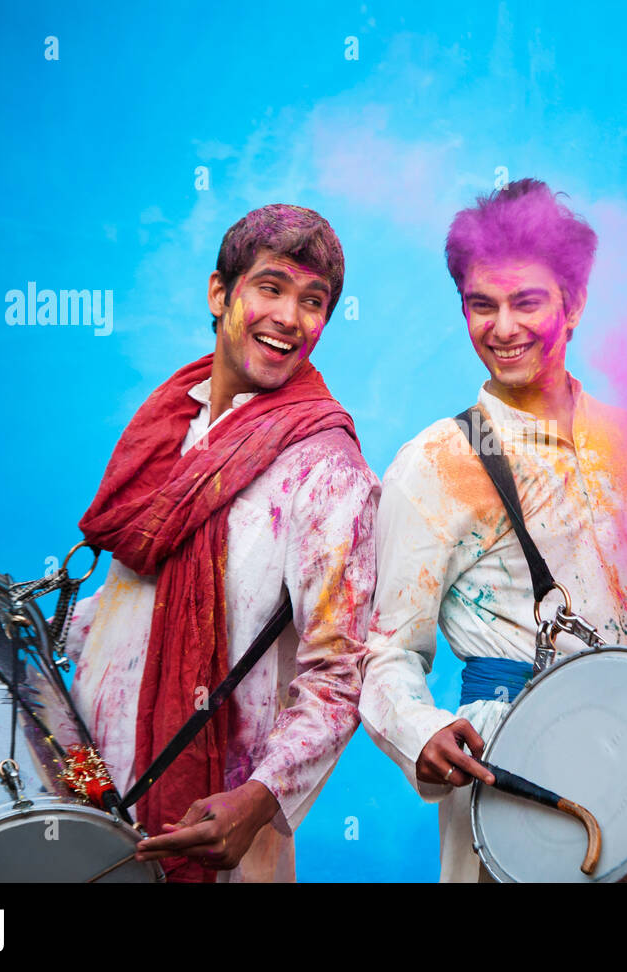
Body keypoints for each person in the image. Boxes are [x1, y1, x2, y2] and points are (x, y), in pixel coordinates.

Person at [358, 179, 627, 882]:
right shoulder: (435, 464)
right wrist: (420, 731)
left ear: (574, 304)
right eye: (481, 305)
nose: (503, 327)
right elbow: (384, 650)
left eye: (527, 302)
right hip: (512, 768)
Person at [64, 204, 380, 883]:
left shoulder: (327, 470)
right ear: (221, 293)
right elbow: (129, 612)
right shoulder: (165, 427)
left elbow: (337, 678)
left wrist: (258, 799)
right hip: (91, 808)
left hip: (221, 838)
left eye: (312, 300)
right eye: (271, 288)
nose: (289, 318)